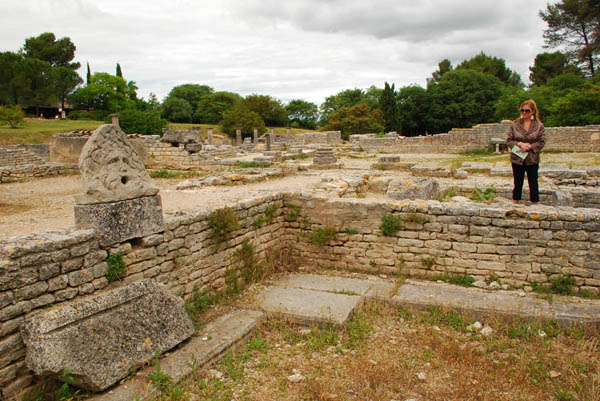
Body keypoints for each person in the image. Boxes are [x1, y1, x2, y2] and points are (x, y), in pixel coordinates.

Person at [506, 99, 546, 205]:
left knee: (533, 181)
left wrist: (529, 146)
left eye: (527, 110)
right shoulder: (515, 125)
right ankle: (515, 200)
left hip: (531, 157)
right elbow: (509, 141)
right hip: (517, 155)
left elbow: (541, 142)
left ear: (532, 111)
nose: (524, 113)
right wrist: (520, 144)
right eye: (522, 110)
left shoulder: (539, 126)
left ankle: (534, 202)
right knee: (517, 180)